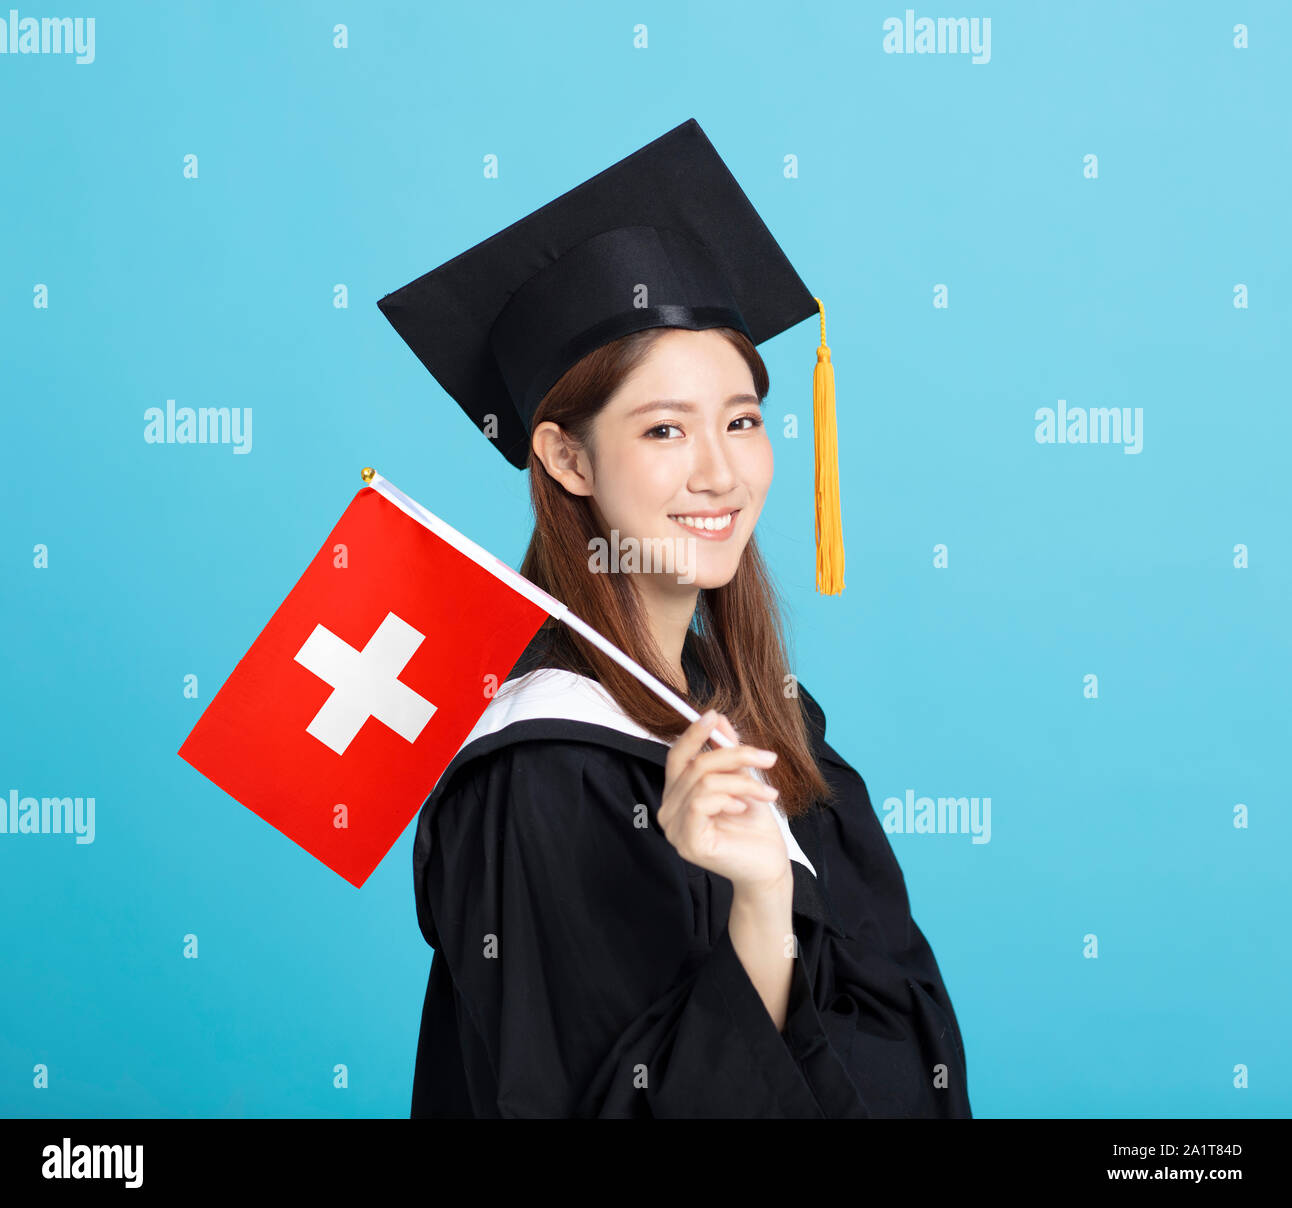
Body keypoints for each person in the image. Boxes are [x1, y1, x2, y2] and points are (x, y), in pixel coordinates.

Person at [377, 118, 972, 1118]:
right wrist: (758, 912)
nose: (720, 471)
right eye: (663, 428)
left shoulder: (764, 711)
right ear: (566, 459)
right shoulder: (537, 775)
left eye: (741, 418)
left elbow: (900, 1027)